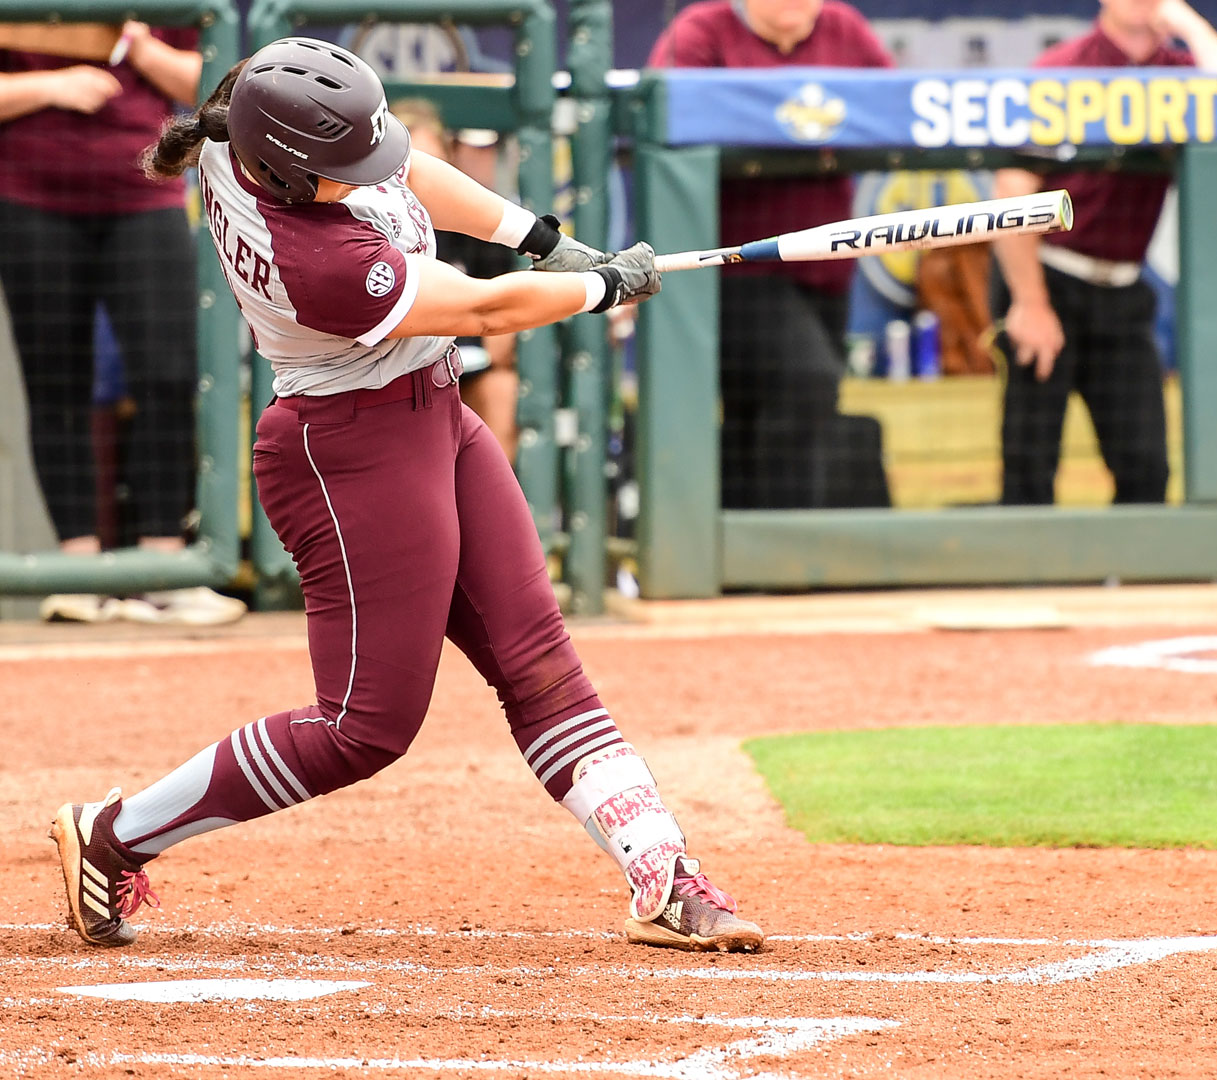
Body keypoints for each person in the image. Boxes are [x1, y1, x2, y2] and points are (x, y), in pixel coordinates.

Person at [48, 39, 763, 955]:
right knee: (364, 728)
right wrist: (598, 288)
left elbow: (412, 169)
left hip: (436, 418)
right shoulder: (319, 259)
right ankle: (113, 837)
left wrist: (543, 240)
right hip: (348, 451)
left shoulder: (252, 125)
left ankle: (663, 872)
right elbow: (482, 310)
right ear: (288, 169)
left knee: (537, 660)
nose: (369, 171)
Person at [0, 21, 247, 624]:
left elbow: (211, 83)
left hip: (145, 191)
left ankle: (165, 572)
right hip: (30, 196)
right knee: (55, 385)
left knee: (169, 376)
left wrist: (129, 44)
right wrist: (52, 85)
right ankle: (80, 572)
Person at [994, 0, 1217, 506]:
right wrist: (1030, 301)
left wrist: (1190, 26)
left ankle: (1130, 583)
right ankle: (1032, 586)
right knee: (1030, 462)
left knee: (1146, 467)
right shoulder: (1063, 69)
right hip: (1048, 276)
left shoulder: (1183, 74)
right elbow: (1012, 191)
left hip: (1123, 290)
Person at [649, 0, 894, 510]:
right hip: (736, 264)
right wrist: (800, 134)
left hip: (827, 266)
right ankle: (786, 553)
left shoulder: (843, 28)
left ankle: (742, 552)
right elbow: (661, 114)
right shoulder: (702, 30)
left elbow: (894, 106)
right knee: (808, 385)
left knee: (759, 412)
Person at [390, 98, 519, 461]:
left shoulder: (475, 225)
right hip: (389, 376)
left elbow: (501, 331)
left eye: (432, 165)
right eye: (407, 171)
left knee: (501, 389)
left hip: (465, 369)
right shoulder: (365, 227)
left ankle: (488, 512)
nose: (416, 183)